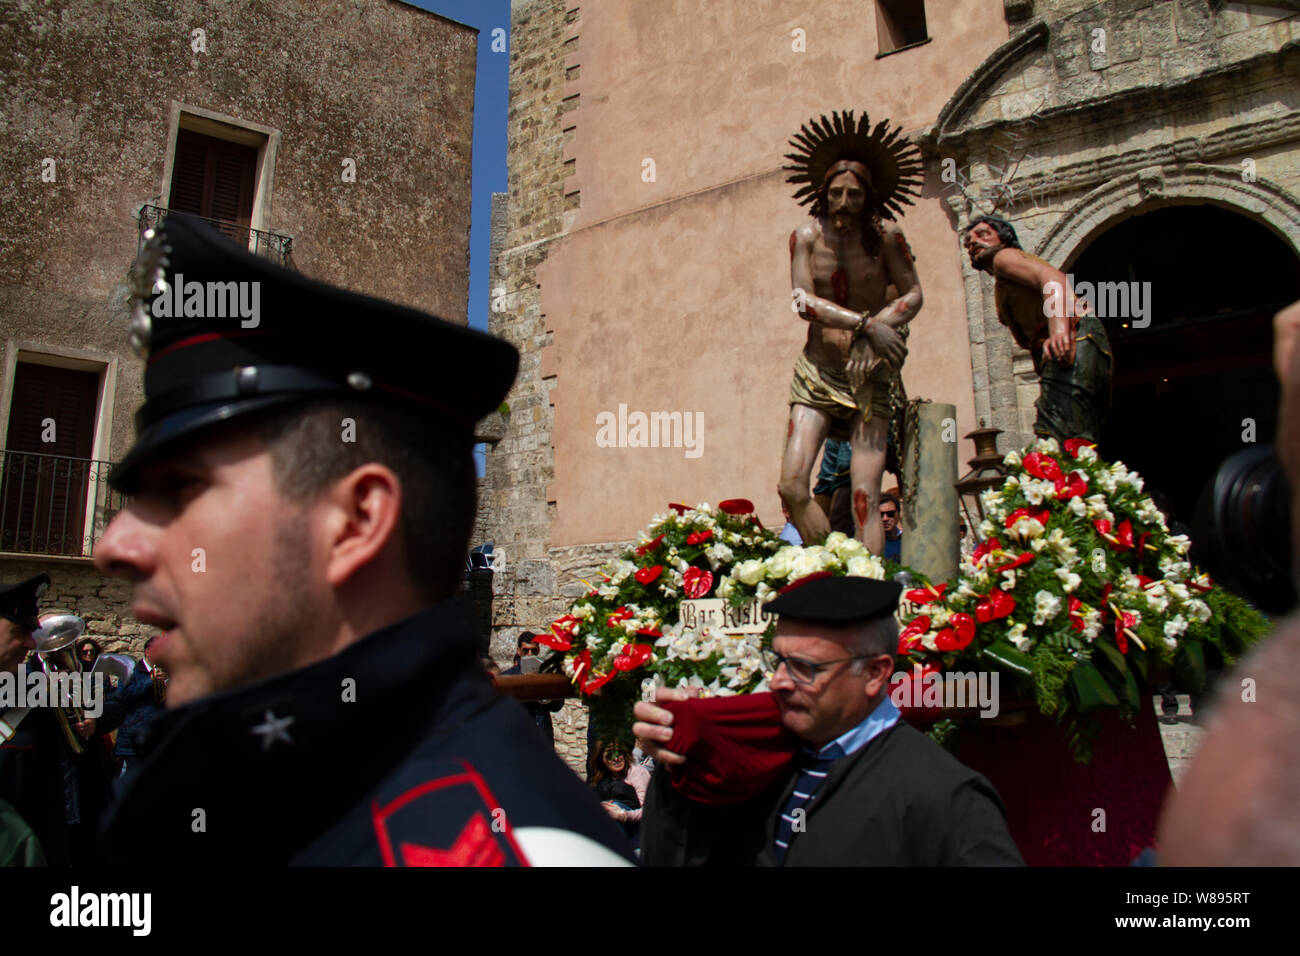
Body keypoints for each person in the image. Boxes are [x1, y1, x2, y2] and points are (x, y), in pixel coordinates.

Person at [91, 215, 634, 866]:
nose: (115, 543)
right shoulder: (226, 783)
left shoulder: (518, 851)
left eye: (180, 488)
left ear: (355, 521)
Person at [633, 575, 1023, 866]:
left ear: (874, 673)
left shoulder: (944, 794)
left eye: (805, 667)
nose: (779, 681)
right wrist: (681, 761)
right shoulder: (766, 761)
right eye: (779, 660)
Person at [779, 109, 924, 556]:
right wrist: (865, 324)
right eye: (837, 193)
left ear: (869, 198)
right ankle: (837, 566)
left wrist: (878, 333)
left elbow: (914, 294)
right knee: (791, 486)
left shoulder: (887, 237)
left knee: (865, 496)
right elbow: (802, 302)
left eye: (854, 195)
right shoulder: (804, 237)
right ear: (823, 194)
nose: (844, 203)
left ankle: (870, 589)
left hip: (869, 379)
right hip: (818, 372)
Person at [0, 575, 123, 866]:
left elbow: (114, 706)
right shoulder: (29, 682)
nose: (33, 642)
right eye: (21, 630)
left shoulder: (56, 685)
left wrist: (94, 718)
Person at [963, 215, 1112, 443]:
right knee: (1074, 433)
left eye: (983, 235)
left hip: (1074, 336)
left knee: (1055, 432)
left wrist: (1059, 329)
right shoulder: (1005, 276)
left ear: (1004, 239)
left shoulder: (1004, 257)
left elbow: (1052, 279)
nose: (973, 243)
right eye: (968, 242)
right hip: (1078, 340)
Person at [501, 631, 564, 744]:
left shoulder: (546, 675)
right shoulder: (507, 677)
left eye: (533, 650)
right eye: (526, 650)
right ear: (519, 651)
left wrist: (543, 690)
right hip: (517, 737)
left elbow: (558, 705)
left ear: (538, 651)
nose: (530, 654)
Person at [879, 491, 902, 562]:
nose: (885, 518)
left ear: (898, 514)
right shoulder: (871, 544)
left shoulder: (906, 542)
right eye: (881, 514)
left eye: (890, 513)